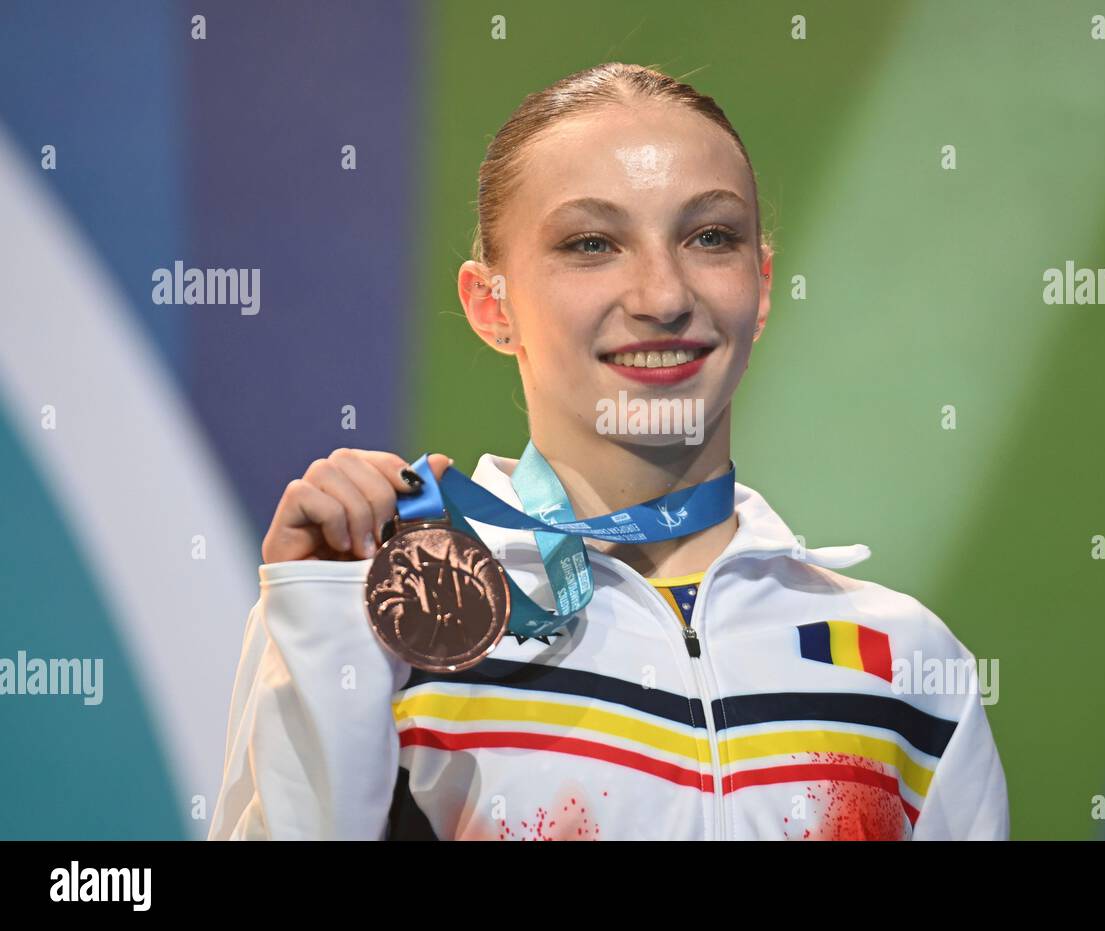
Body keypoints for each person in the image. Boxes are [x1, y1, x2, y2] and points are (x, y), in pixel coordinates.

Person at [208, 62, 1009, 841]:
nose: (663, 296)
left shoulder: (906, 663)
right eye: (592, 244)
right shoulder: (402, 607)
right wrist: (326, 625)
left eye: (710, 236)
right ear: (492, 306)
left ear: (761, 286)